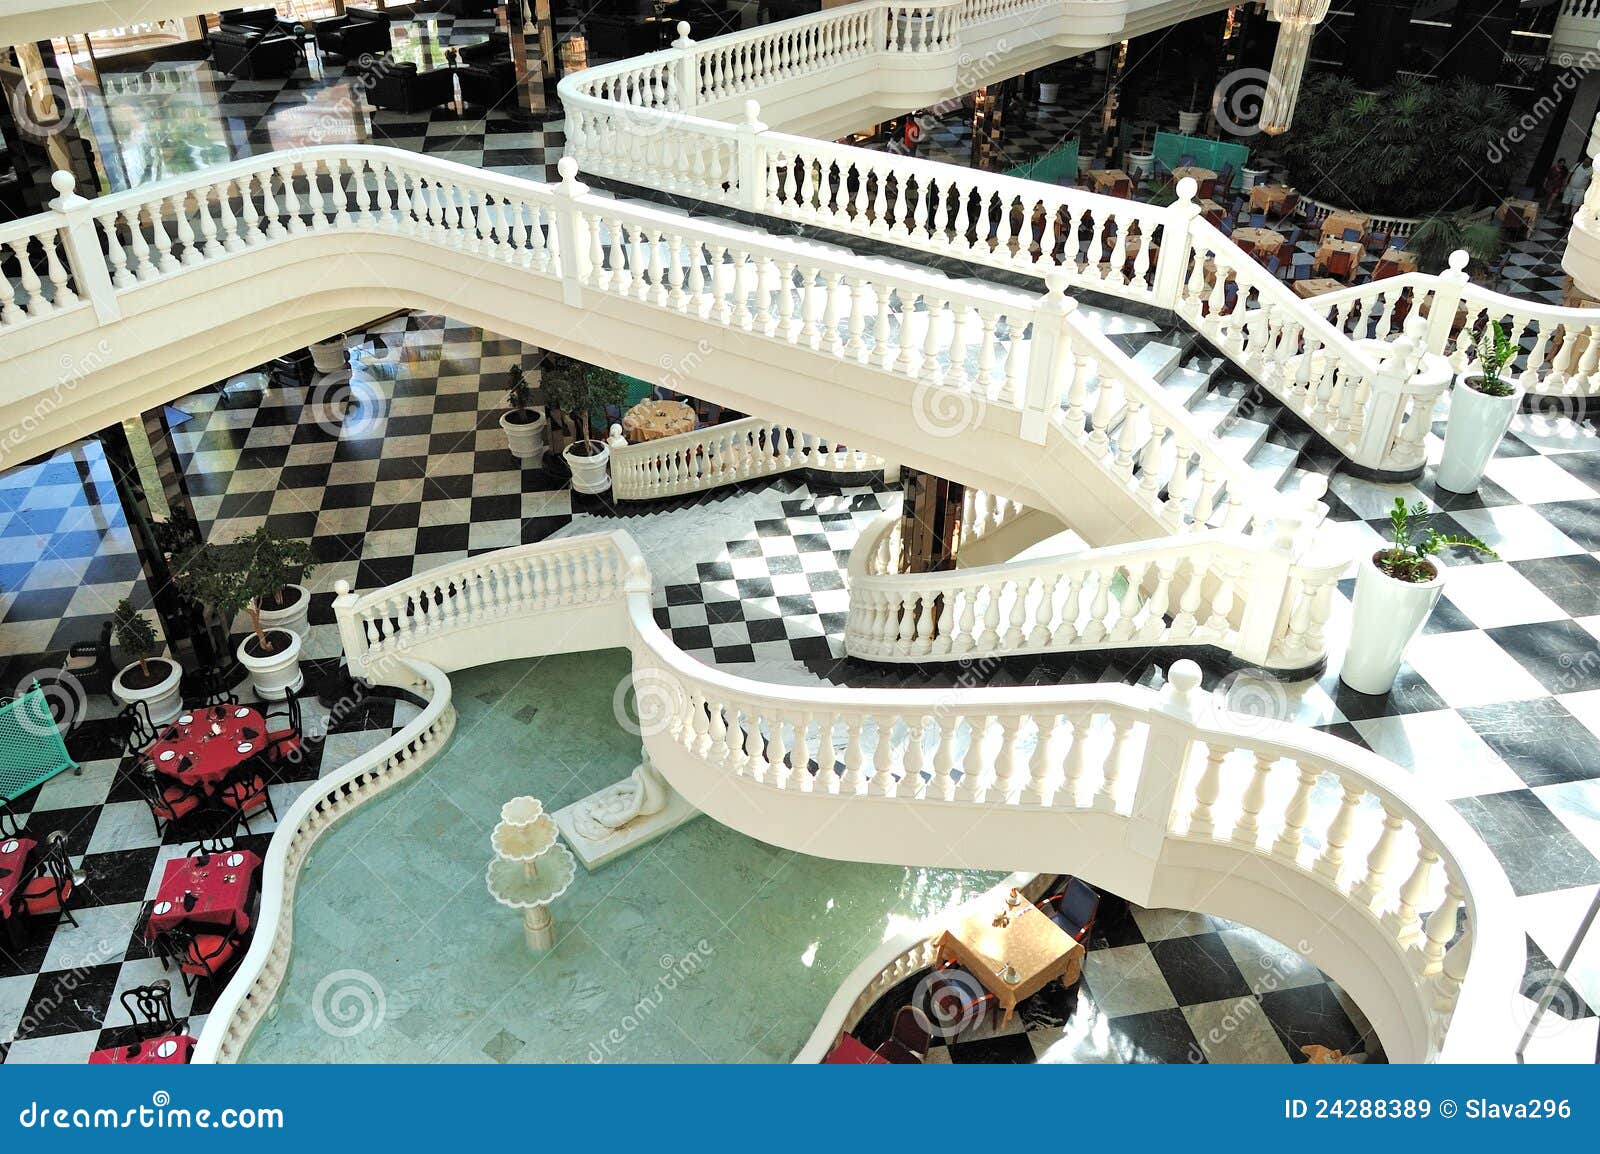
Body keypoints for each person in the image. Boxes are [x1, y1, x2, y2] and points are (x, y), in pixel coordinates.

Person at [1563, 156, 1593, 223]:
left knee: (1575, 204)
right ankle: (1565, 211)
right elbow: (1570, 172)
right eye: (1585, 161)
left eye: (1587, 162)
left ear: (1590, 163)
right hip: (1570, 187)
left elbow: (1591, 180)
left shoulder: (1591, 170)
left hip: (1580, 190)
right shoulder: (1577, 165)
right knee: (1565, 201)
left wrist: (1587, 189)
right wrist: (1566, 180)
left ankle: (1571, 216)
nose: (1585, 163)